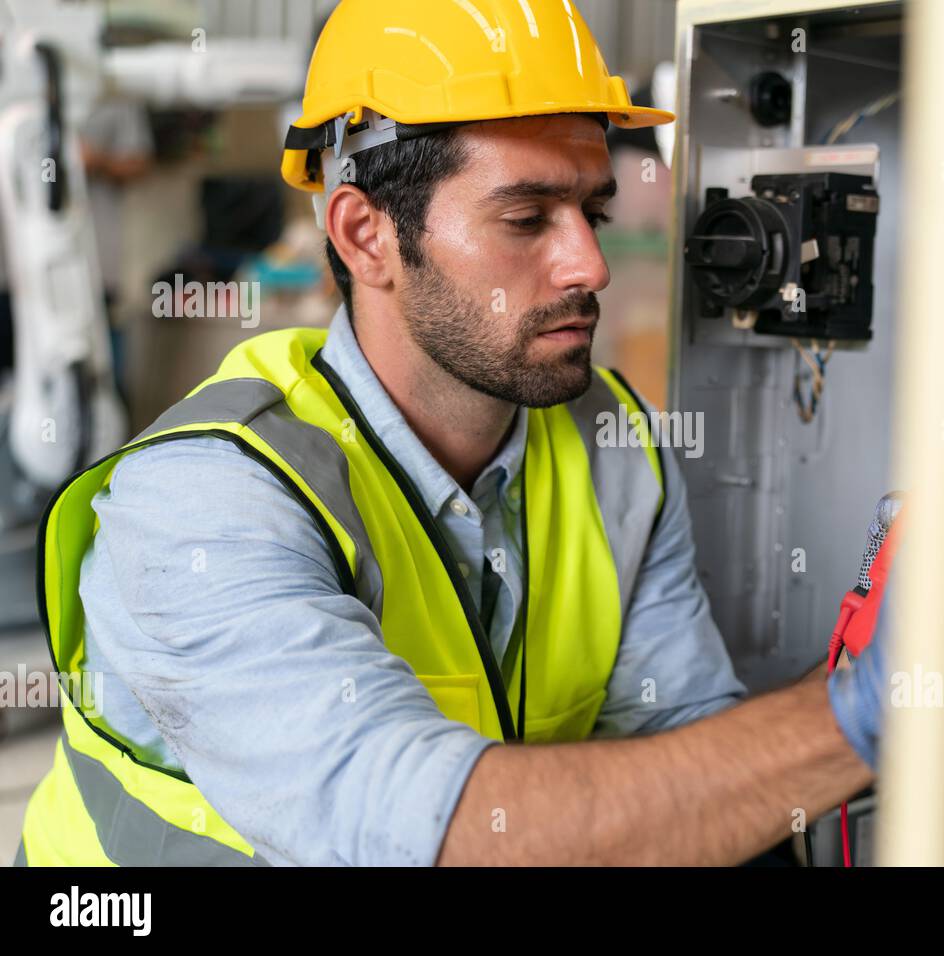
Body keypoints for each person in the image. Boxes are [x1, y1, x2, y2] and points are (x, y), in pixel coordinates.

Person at [16, 0, 890, 867]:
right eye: (526, 218)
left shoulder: (616, 446)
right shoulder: (208, 498)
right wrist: (858, 713)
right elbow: (418, 830)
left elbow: (689, 755)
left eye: (596, 211)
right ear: (366, 237)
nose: (589, 264)